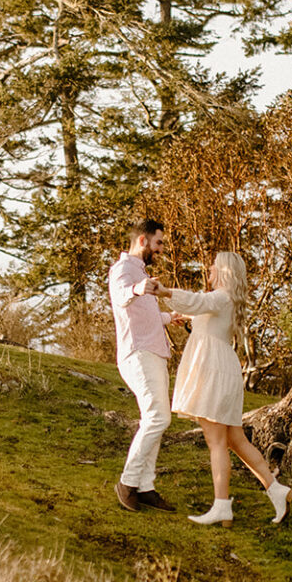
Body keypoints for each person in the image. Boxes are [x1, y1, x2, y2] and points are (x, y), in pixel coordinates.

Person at [153, 251, 292, 527]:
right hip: (224, 369)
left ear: (225, 272)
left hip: (213, 371)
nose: (209, 269)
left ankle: (221, 506)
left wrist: (166, 291)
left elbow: (199, 301)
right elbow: (202, 309)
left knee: (216, 441)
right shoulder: (227, 299)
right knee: (235, 440)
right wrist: (187, 315)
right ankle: (277, 490)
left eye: (214, 266)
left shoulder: (220, 296)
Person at [106, 218, 185, 513]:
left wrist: (169, 318)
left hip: (153, 353)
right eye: (159, 243)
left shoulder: (140, 273)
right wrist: (139, 289)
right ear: (143, 240)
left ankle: (146, 487)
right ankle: (128, 483)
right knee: (158, 419)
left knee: (153, 419)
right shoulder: (124, 270)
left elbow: (142, 317)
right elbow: (121, 297)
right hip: (138, 354)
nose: (161, 249)